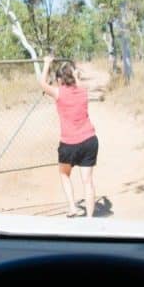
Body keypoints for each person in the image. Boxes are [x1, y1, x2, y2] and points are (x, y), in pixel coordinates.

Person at [39, 55, 98, 218]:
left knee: (64, 174)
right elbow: (77, 83)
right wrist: (76, 74)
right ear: (74, 77)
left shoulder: (59, 93)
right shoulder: (83, 90)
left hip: (69, 143)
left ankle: (72, 207)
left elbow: (43, 84)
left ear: (59, 79)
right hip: (89, 140)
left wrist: (46, 64)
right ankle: (90, 218)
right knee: (88, 181)